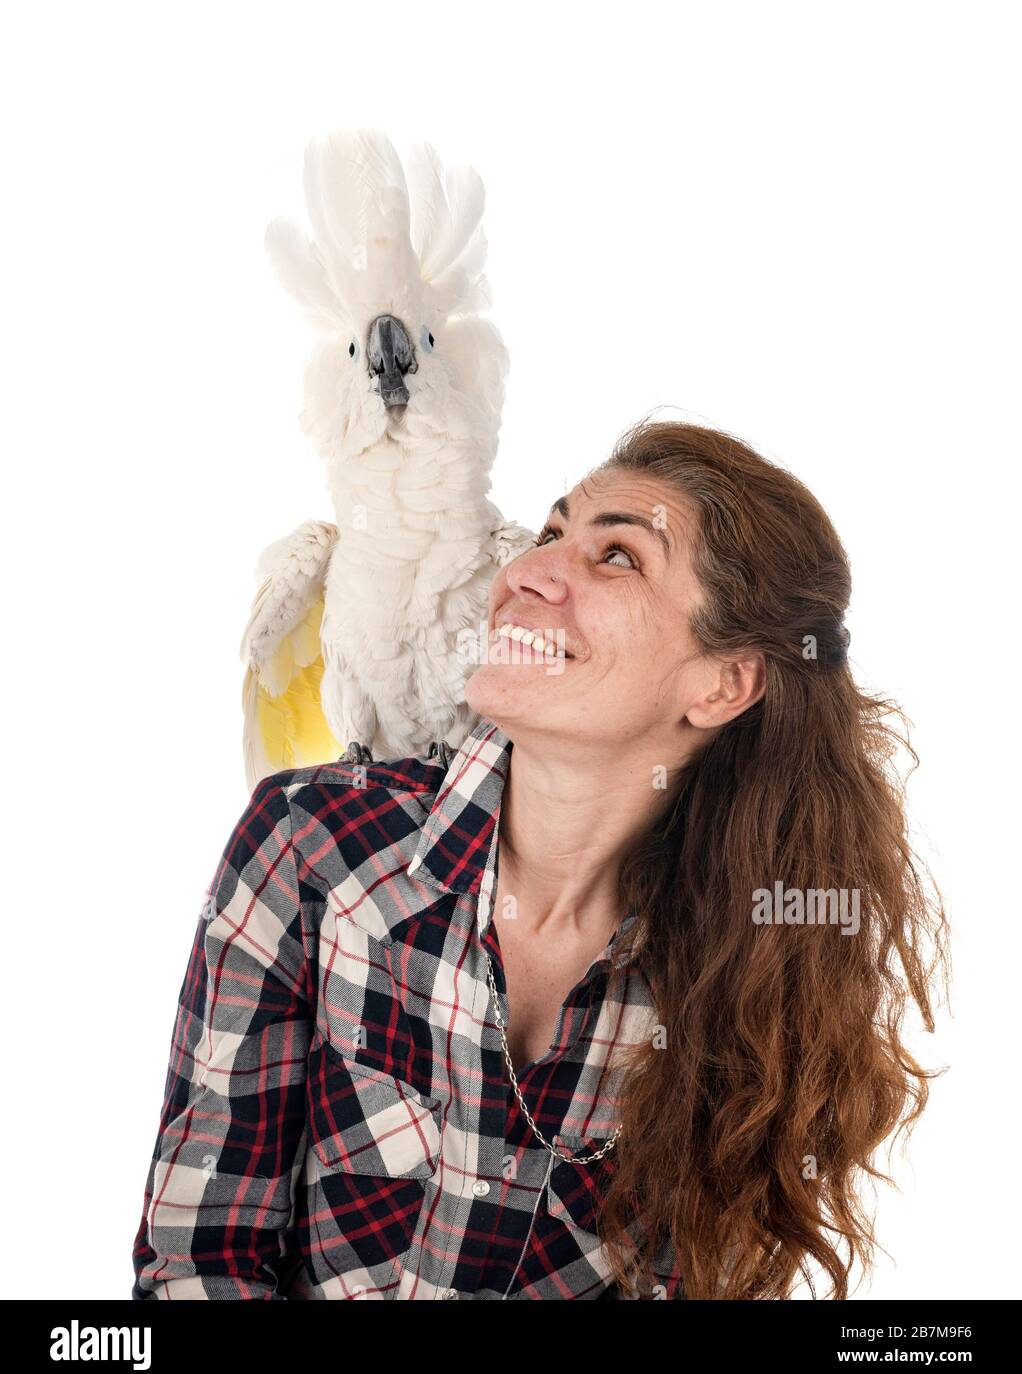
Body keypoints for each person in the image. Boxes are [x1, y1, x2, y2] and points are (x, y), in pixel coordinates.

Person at [131, 416, 948, 1300]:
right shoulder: (315, 844)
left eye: (619, 557)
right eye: (554, 532)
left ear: (721, 684)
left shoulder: (752, 970)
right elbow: (197, 1258)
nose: (525, 571)